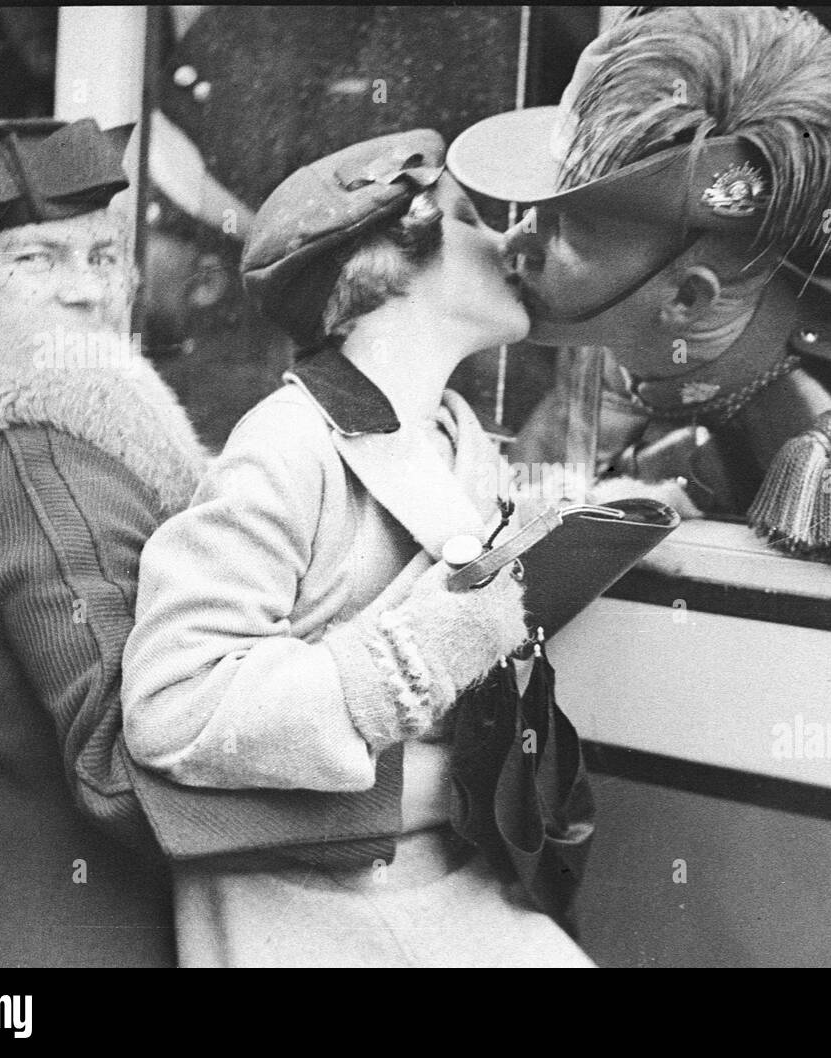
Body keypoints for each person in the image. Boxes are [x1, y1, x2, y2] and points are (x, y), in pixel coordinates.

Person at [120, 129, 595, 968]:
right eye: (473, 219)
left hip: (452, 879)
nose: (510, 240)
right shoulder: (289, 444)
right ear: (388, 263)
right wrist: (408, 659)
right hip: (305, 908)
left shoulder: (457, 441)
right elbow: (174, 703)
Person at [0, 117, 208, 966]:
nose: (86, 292)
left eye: (102, 257)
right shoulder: (40, 463)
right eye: (34, 259)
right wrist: (405, 785)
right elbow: (135, 776)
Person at [448, 6, 831, 561]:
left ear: (687, 299)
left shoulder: (826, 428)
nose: (515, 241)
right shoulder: (610, 334)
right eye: (534, 211)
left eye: (570, 233)